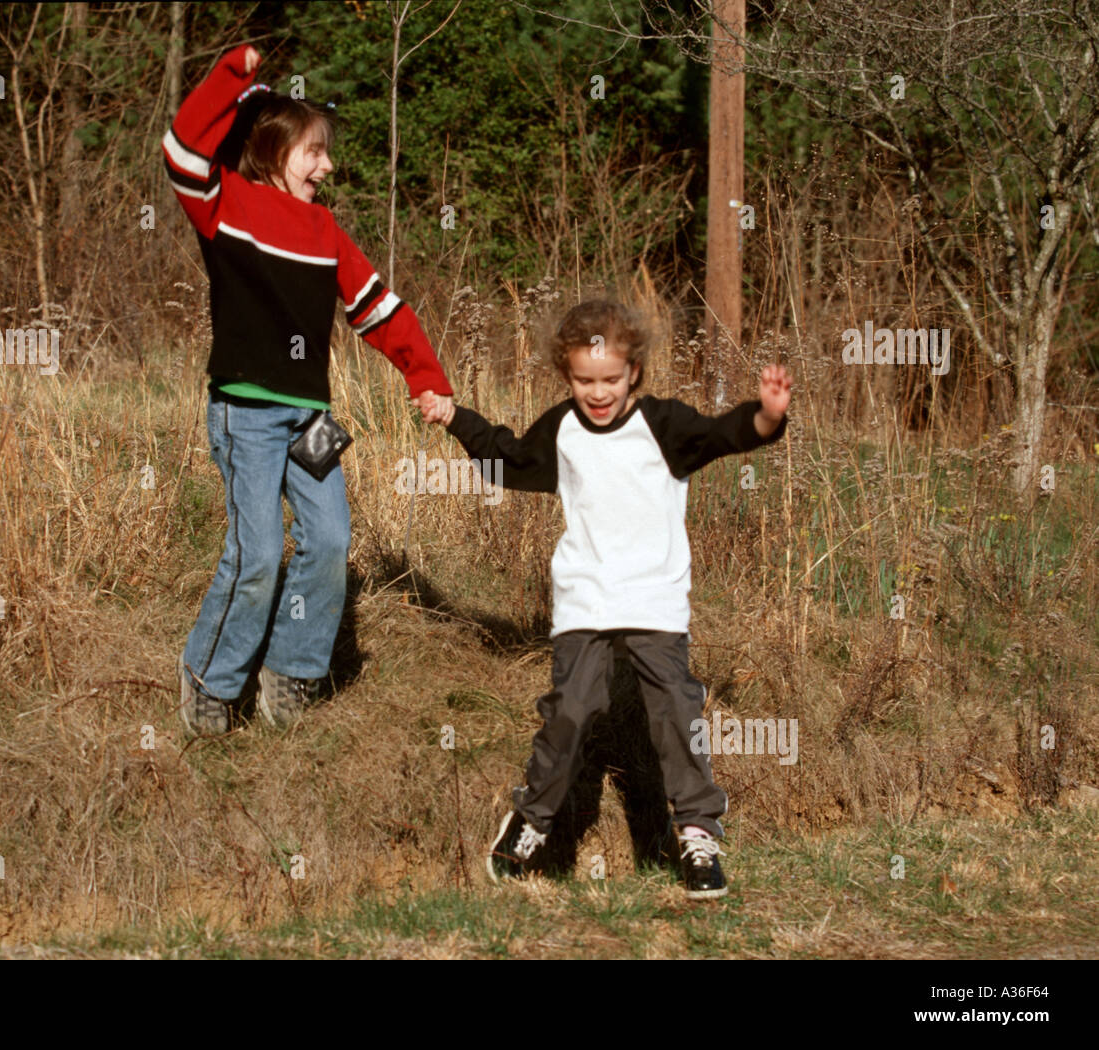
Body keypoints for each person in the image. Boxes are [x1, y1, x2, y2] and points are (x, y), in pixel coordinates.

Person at [419, 300, 791, 898]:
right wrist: (454, 416)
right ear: (566, 376)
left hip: (653, 599)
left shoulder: (664, 426)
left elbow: (727, 434)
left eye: (611, 380)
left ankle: (696, 834)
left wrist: (767, 417)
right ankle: (531, 822)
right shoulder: (562, 431)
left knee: (674, 707)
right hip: (584, 598)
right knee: (572, 709)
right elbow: (506, 459)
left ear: (634, 372)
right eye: (584, 380)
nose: (598, 393)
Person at [165, 44, 453, 734]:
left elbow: (379, 309)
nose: (326, 165)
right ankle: (211, 676)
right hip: (246, 415)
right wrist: (234, 73)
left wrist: (426, 377)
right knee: (258, 552)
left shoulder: (326, 232)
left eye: (326, 153)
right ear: (272, 149)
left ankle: (291, 672)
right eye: (313, 151)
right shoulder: (224, 205)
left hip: (308, 421)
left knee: (329, 541)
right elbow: (181, 148)